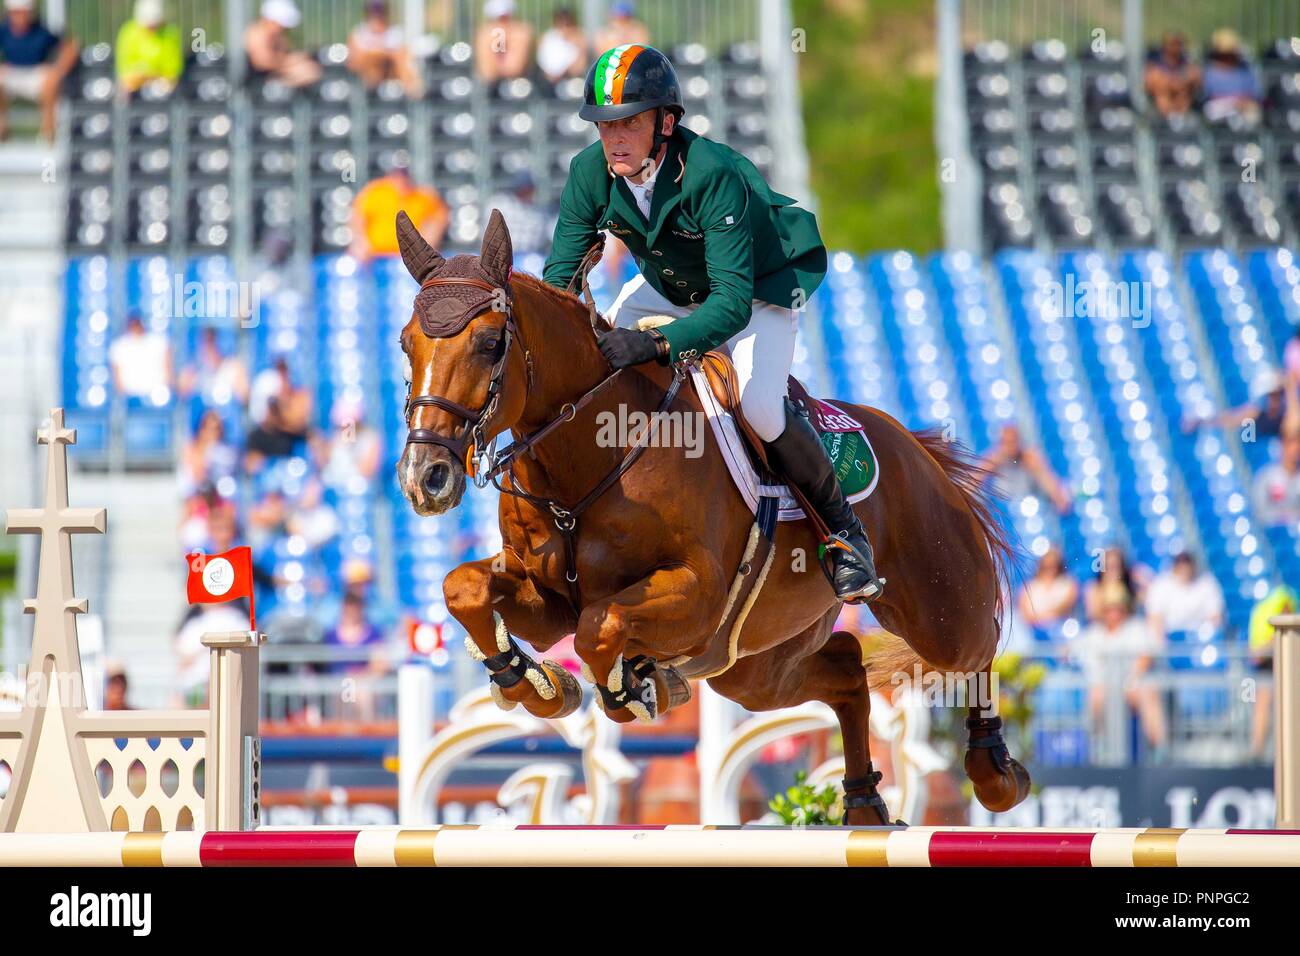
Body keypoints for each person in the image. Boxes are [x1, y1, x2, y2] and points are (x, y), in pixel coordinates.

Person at [541, 46, 880, 603]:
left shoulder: (712, 174)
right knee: (594, 370)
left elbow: (727, 306)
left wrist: (653, 343)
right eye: (604, 125)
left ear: (665, 122)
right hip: (669, 287)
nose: (614, 138)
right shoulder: (588, 173)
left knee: (761, 407)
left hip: (753, 293)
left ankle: (845, 534)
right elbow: (558, 284)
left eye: (629, 122)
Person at [1079, 581, 1167, 759]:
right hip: (1104, 685)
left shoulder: (1136, 628)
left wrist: (1129, 682)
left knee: (1148, 695)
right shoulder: (1094, 633)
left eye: (1117, 607)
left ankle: (1159, 750)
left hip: (1131, 684)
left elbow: (1146, 657)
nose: (1113, 612)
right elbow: (1088, 665)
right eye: (1109, 608)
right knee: (1096, 696)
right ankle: (1096, 748)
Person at [0, 0, 78, 141]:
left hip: (37, 75)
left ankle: (48, 132)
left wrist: (58, 70)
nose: (20, 16)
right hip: (11, 74)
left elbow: (70, 46)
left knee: (51, 79)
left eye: (24, 12)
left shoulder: (42, 31)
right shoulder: (3, 31)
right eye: (16, 12)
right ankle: (2, 129)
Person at [350, 155, 449, 259]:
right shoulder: (374, 193)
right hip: (374, 255)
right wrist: (361, 241)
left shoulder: (423, 197)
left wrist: (426, 243)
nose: (401, 178)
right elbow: (357, 219)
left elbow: (439, 220)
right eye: (397, 174)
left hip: (411, 257)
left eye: (404, 174)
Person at [1184, 366, 1299, 440]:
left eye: (1278, 394)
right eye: (1272, 395)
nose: (1274, 399)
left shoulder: (1286, 412)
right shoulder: (1257, 413)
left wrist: (1290, 390)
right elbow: (1230, 419)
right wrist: (1202, 421)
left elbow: (1294, 426)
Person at [980, 422, 1072, 514]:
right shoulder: (991, 461)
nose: (1010, 447)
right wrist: (988, 467)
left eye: (1013, 441)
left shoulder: (1031, 459)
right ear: (1000, 444)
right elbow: (971, 487)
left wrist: (1038, 469)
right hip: (1003, 513)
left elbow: (1059, 497)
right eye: (1006, 442)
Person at [346, 0, 420, 97]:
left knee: (401, 61)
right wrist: (381, 53)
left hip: (391, 71)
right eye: (374, 10)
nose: (377, 15)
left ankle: (412, 91)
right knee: (372, 62)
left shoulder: (394, 32)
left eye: (379, 10)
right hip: (367, 73)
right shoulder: (359, 33)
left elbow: (402, 54)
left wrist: (380, 52)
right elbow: (354, 60)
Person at [1144, 551, 1224, 641]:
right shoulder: (1161, 585)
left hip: (1201, 639)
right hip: (1170, 640)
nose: (1185, 570)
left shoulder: (1207, 582)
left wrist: (1205, 636)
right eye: (1181, 564)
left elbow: (1215, 617)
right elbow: (1154, 618)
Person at [244, 0, 322, 88]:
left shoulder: (277, 37)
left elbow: (284, 53)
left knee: (310, 70)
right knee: (307, 72)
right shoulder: (257, 35)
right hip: (260, 82)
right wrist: (291, 62)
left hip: (274, 75)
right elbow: (262, 62)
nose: (284, 29)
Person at [114, 0, 183, 96]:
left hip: (163, 89)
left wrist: (148, 76)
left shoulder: (171, 34)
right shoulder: (128, 32)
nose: (151, 29)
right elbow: (125, 72)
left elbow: (172, 73)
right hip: (132, 89)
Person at [177, 327, 250, 409]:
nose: (209, 347)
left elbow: (244, 397)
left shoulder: (234, 367)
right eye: (206, 342)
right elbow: (182, 395)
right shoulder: (194, 368)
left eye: (212, 342)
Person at [1016, 547, 1079, 641]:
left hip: (1059, 631)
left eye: (1054, 566)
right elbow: (1024, 612)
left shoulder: (1068, 583)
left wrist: (1045, 618)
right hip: (1032, 631)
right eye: (1046, 566)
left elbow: (1065, 606)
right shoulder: (1030, 586)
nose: (1050, 570)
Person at [1201, 28, 1261, 125]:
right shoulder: (1211, 71)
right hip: (1219, 108)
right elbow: (1208, 94)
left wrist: (1241, 103)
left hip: (1243, 107)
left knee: (1253, 113)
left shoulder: (1246, 70)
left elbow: (1255, 94)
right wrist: (1232, 103)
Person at [485, 169, 553, 255]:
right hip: (503, 254)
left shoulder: (540, 212)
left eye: (528, 189)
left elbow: (541, 241)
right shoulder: (500, 205)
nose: (525, 192)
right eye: (522, 189)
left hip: (529, 257)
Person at [109, 311, 172, 402]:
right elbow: (118, 382)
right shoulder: (119, 346)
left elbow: (168, 372)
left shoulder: (159, 342)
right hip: (131, 399)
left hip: (158, 395)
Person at [178, 409, 238, 499]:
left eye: (216, 429)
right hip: (195, 495)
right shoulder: (190, 448)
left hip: (218, 497)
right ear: (201, 429)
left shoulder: (225, 452)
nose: (213, 433)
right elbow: (195, 475)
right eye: (209, 429)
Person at [474, 0, 532, 83]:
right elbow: (487, 71)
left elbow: (514, 68)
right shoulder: (485, 34)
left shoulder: (520, 33)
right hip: (490, 82)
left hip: (515, 81)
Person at [1144, 32, 1199, 117]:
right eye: (1172, 44)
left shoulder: (1188, 65)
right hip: (1162, 115)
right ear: (1164, 46)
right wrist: (1170, 83)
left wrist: (1181, 82)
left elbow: (1196, 80)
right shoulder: (1155, 67)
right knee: (1162, 92)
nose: (1175, 47)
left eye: (1178, 44)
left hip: (1184, 112)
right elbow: (1149, 84)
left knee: (1182, 95)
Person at [1083, 546, 1146, 622]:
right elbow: (1093, 614)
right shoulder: (1093, 588)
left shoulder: (1129, 587)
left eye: (1115, 566)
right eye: (1108, 567)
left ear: (1122, 568)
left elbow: (1148, 602)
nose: (1111, 571)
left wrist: (1141, 579)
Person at [1252, 429, 1300, 527]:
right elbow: (1260, 511)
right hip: (1274, 534)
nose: (1295, 450)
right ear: (1282, 446)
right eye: (1291, 444)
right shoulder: (1266, 476)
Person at [536, 7, 586, 83]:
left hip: (570, 80)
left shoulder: (579, 38)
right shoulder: (548, 37)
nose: (563, 26)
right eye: (561, 21)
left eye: (567, 23)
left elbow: (578, 68)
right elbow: (541, 59)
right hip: (548, 81)